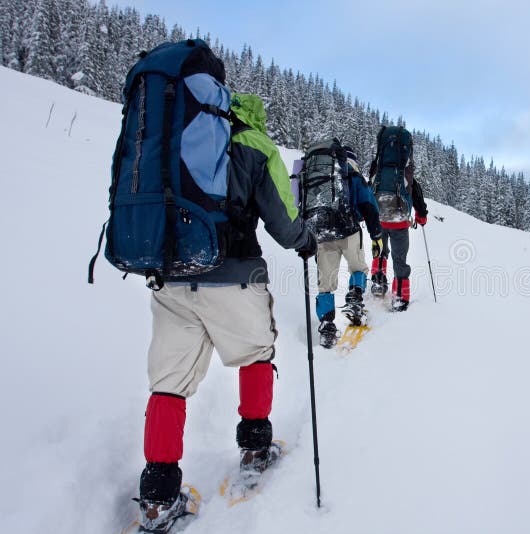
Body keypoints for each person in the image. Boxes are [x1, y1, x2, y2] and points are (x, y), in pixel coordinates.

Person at [136, 93, 316, 531]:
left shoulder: (168, 135)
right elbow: (284, 223)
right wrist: (305, 240)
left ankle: (158, 496)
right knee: (255, 354)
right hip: (234, 276)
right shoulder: (255, 144)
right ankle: (255, 449)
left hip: (171, 278)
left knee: (169, 382)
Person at [300, 141, 382, 348]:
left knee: (325, 282)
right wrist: (376, 236)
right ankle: (354, 300)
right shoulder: (352, 175)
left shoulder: (314, 176)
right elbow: (369, 206)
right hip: (348, 231)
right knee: (358, 267)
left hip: (321, 233)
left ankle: (327, 326)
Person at [368, 126, 428, 312]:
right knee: (399, 259)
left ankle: (378, 282)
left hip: (378, 218)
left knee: (380, 251)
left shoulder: (378, 166)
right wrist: (421, 216)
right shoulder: (405, 171)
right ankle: (400, 298)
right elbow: (416, 193)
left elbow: (369, 187)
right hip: (400, 220)